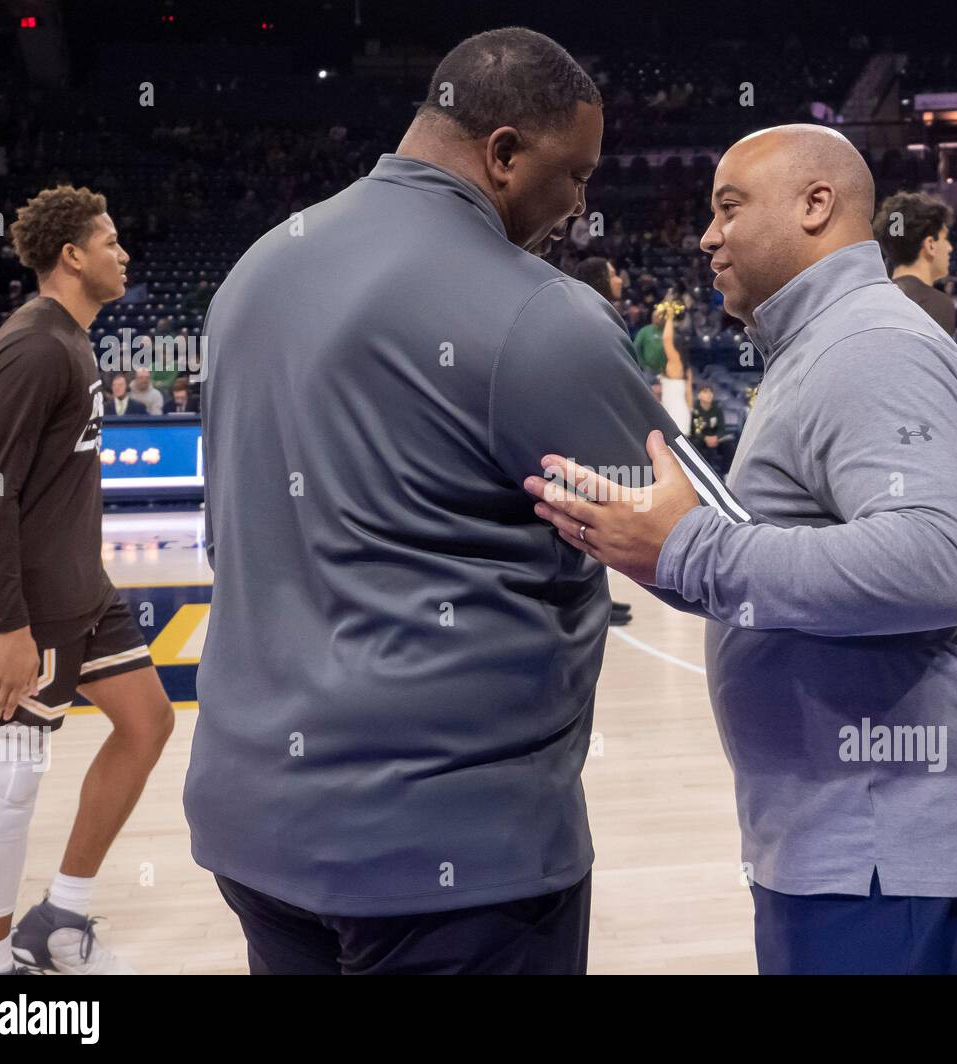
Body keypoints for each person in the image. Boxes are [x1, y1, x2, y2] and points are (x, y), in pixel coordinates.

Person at [186, 28, 742, 976]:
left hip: (253, 826)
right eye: (575, 175)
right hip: (452, 861)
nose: (580, 206)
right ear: (504, 153)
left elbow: (226, 535)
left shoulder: (254, 272)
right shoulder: (537, 311)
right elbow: (719, 543)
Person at [527, 124, 957, 975]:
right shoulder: (823, 345)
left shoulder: (867, 346)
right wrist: (662, 540)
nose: (707, 235)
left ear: (816, 206)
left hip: (885, 845)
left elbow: (938, 565)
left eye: (729, 208)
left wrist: (686, 550)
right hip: (852, 838)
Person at [0, 185, 172, 975]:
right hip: (27, 610)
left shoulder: (71, 341)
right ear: (72, 255)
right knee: (11, 779)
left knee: (146, 723)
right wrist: (5, 625)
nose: (124, 253)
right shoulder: (36, 347)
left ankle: (59, 920)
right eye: (111, 241)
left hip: (82, 590)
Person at [571, 254, 634, 627]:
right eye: (614, 272)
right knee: (586, 519)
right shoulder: (590, 314)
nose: (620, 278)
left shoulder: (592, 310)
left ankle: (600, 599)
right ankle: (591, 602)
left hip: (591, 426)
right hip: (585, 430)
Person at [872, 191, 955, 333]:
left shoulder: (872, 300)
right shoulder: (939, 304)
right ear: (930, 245)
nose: (950, 247)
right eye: (945, 238)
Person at [657, 293, 693, 433]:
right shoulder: (685, 367)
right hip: (680, 413)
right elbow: (689, 393)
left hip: (675, 414)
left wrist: (670, 317)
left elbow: (666, 339)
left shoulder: (675, 361)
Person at [689, 382, 733, 474]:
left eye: (710, 392)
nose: (709, 394)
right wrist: (706, 438)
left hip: (715, 438)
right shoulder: (695, 410)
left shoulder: (717, 409)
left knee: (729, 445)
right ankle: (699, 473)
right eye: (705, 392)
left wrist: (716, 437)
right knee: (696, 443)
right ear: (699, 395)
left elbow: (722, 428)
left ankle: (726, 473)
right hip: (700, 438)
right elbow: (696, 430)